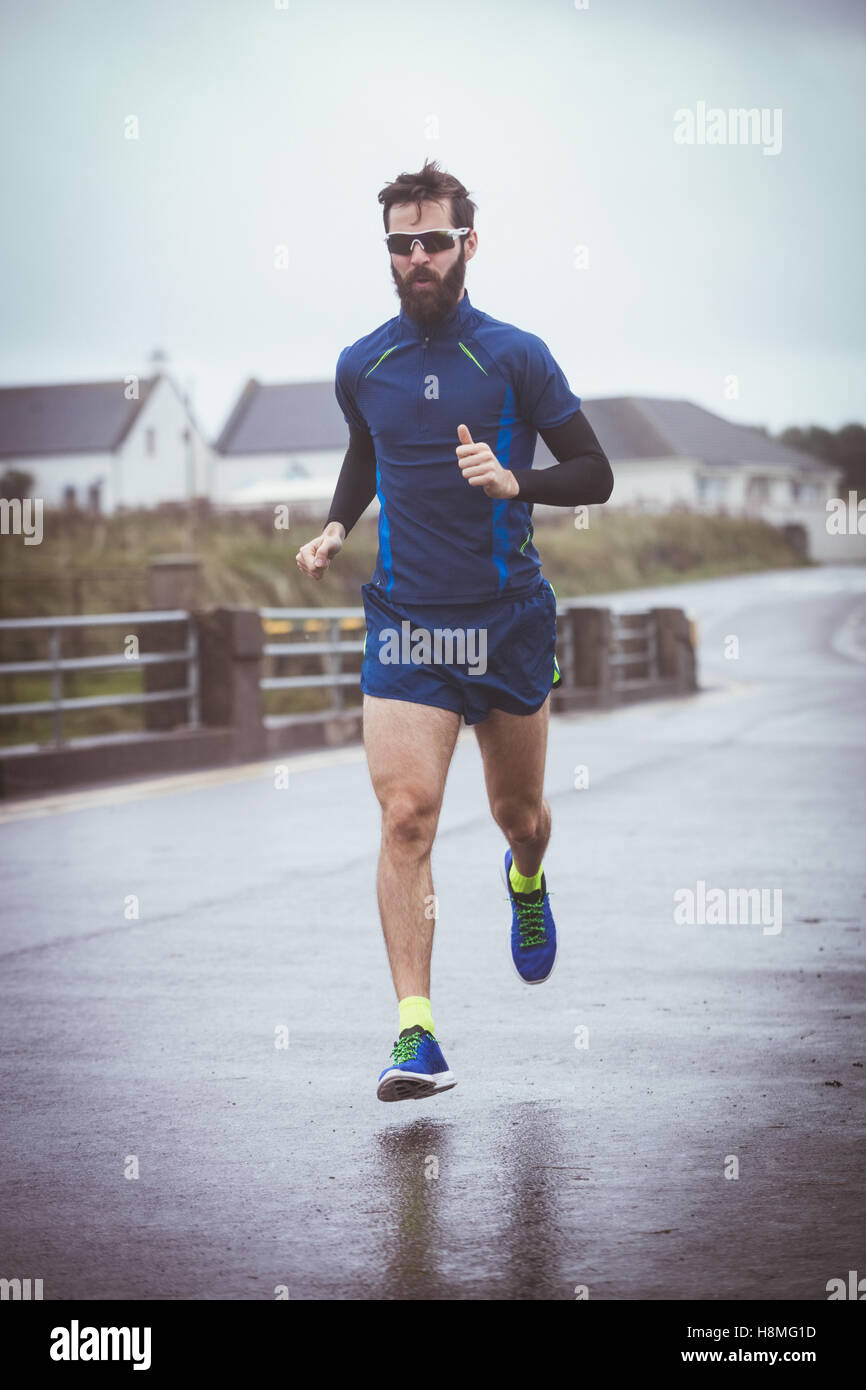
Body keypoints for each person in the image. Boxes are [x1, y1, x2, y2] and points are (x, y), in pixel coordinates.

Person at [296, 159, 613, 1102]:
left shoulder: (515, 355)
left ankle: (525, 879)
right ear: (388, 253)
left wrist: (519, 482)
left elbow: (594, 472)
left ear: (468, 244)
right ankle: (417, 1035)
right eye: (402, 244)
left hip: (508, 622)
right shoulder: (365, 364)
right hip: (408, 626)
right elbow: (367, 451)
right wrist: (335, 525)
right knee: (406, 818)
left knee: (522, 816)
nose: (418, 257)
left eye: (435, 239)